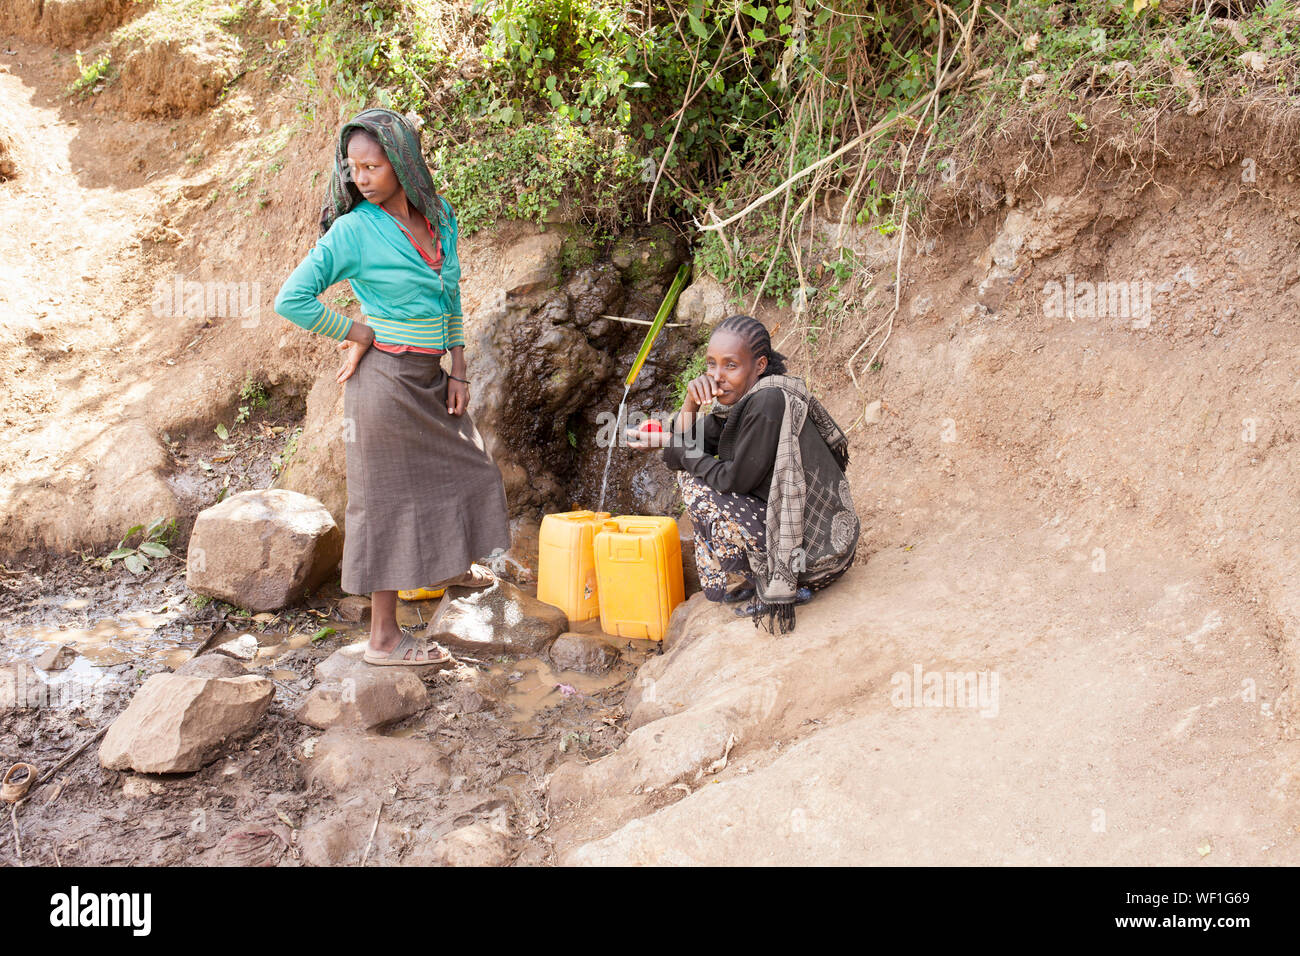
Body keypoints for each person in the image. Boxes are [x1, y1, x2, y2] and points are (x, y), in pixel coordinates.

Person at [274, 107, 509, 666]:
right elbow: (292, 299)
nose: (360, 178)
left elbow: (449, 297)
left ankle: (451, 565)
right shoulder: (354, 230)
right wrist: (358, 329)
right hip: (382, 384)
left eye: (373, 166)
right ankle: (383, 638)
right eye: (353, 168)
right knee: (385, 503)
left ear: (403, 163)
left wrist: (459, 367)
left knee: (470, 467)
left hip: (432, 376)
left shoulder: (440, 218)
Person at [628, 315, 859, 634]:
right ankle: (757, 576)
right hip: (801, 542)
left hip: (819, 556)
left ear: (760, 365)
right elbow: (687, 446)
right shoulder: (738, 404)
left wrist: (670, 441)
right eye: (711, 365)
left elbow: (731, 480)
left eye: (730, 365)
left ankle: (784, 582)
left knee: (699, 485)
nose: (717, 376)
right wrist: (690, 404)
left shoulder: (768, 403)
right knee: (691, 469)